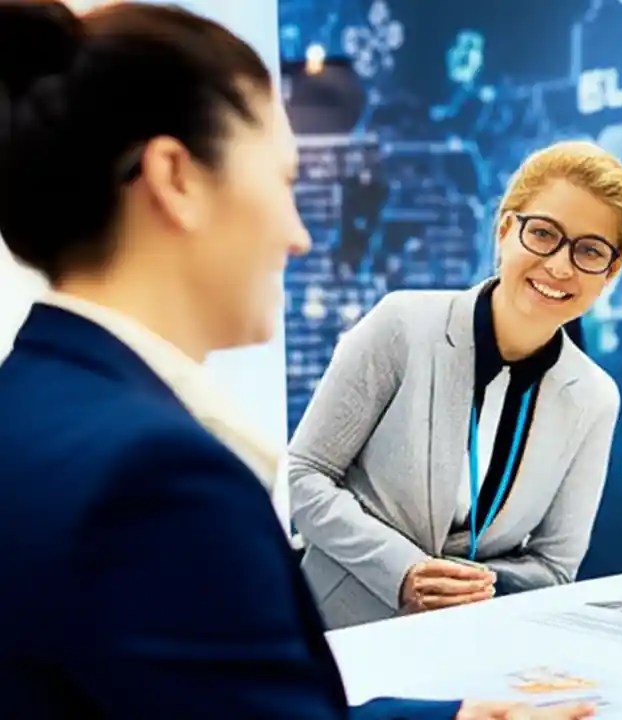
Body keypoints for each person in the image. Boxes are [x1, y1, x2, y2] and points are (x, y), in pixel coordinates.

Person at [0, 3, 589, 719]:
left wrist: (455, 715)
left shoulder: (39, 405)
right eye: (283, 182)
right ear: (176, 178)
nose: (298, 235)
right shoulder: (155, 478)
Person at [289, 141, 622, 630]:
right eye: (543, 234)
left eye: (590, 251)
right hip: (342, 629)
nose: (560, 266)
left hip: (474, 646)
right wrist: (403, 571)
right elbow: (304, 474)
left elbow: (556, 567)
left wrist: (470, 585)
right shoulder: (402, 325)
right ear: (505, 231)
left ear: (610, 272)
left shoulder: (594, 398)